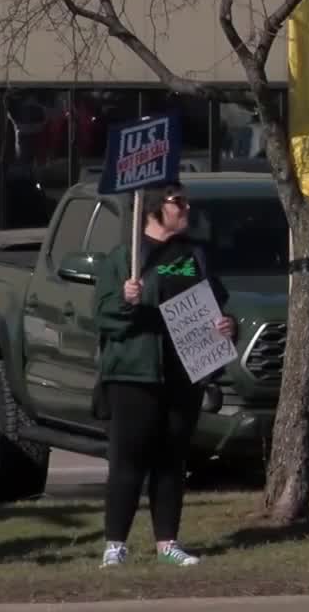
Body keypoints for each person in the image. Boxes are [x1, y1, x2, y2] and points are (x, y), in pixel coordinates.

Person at [92, 182, 235, 568]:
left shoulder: (194, 257)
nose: (187, 208)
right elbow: (104, 317)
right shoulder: (125, 259)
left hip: (183, 372)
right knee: (128, 459)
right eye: (179, 202)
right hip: (135, 373)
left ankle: (167, 543)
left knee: (171, 459)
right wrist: (126, 300)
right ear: (154, 209)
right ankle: (115, 545)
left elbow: (217, 305)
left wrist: (226, 326)